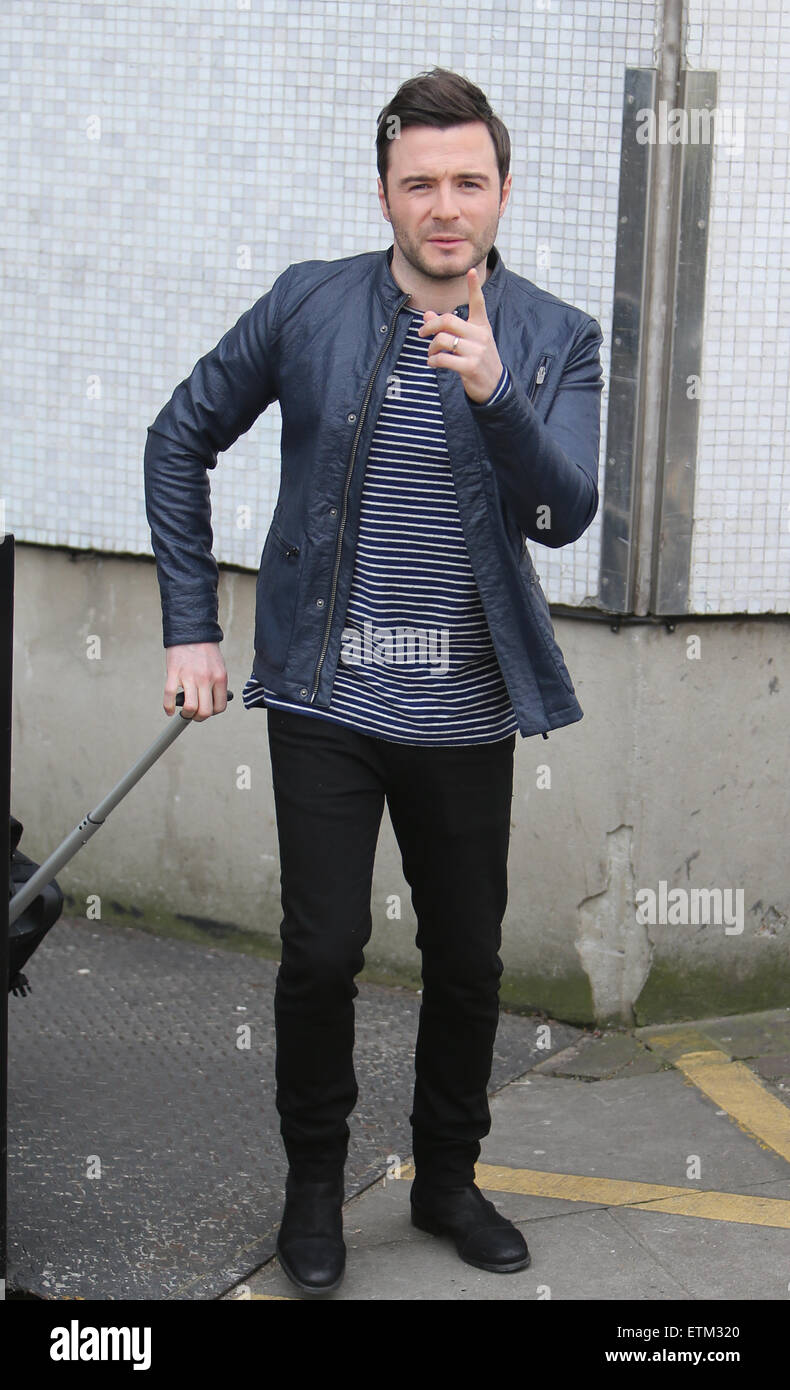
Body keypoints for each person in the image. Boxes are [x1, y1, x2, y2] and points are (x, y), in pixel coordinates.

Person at [144, 66, 604, 1296]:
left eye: (467, 182)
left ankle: (448, 1179)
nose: (443, 206)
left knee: (466, 959)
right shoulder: (310, 306)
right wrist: (192, 630)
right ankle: (313, 1189)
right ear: (385, 194)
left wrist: (495, 392)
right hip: (325, 699)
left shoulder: (556, 337)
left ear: (503, 191)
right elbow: (179, 433)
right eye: (419, 184)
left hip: (464, 708)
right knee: (322, 950)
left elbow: (565, 513)